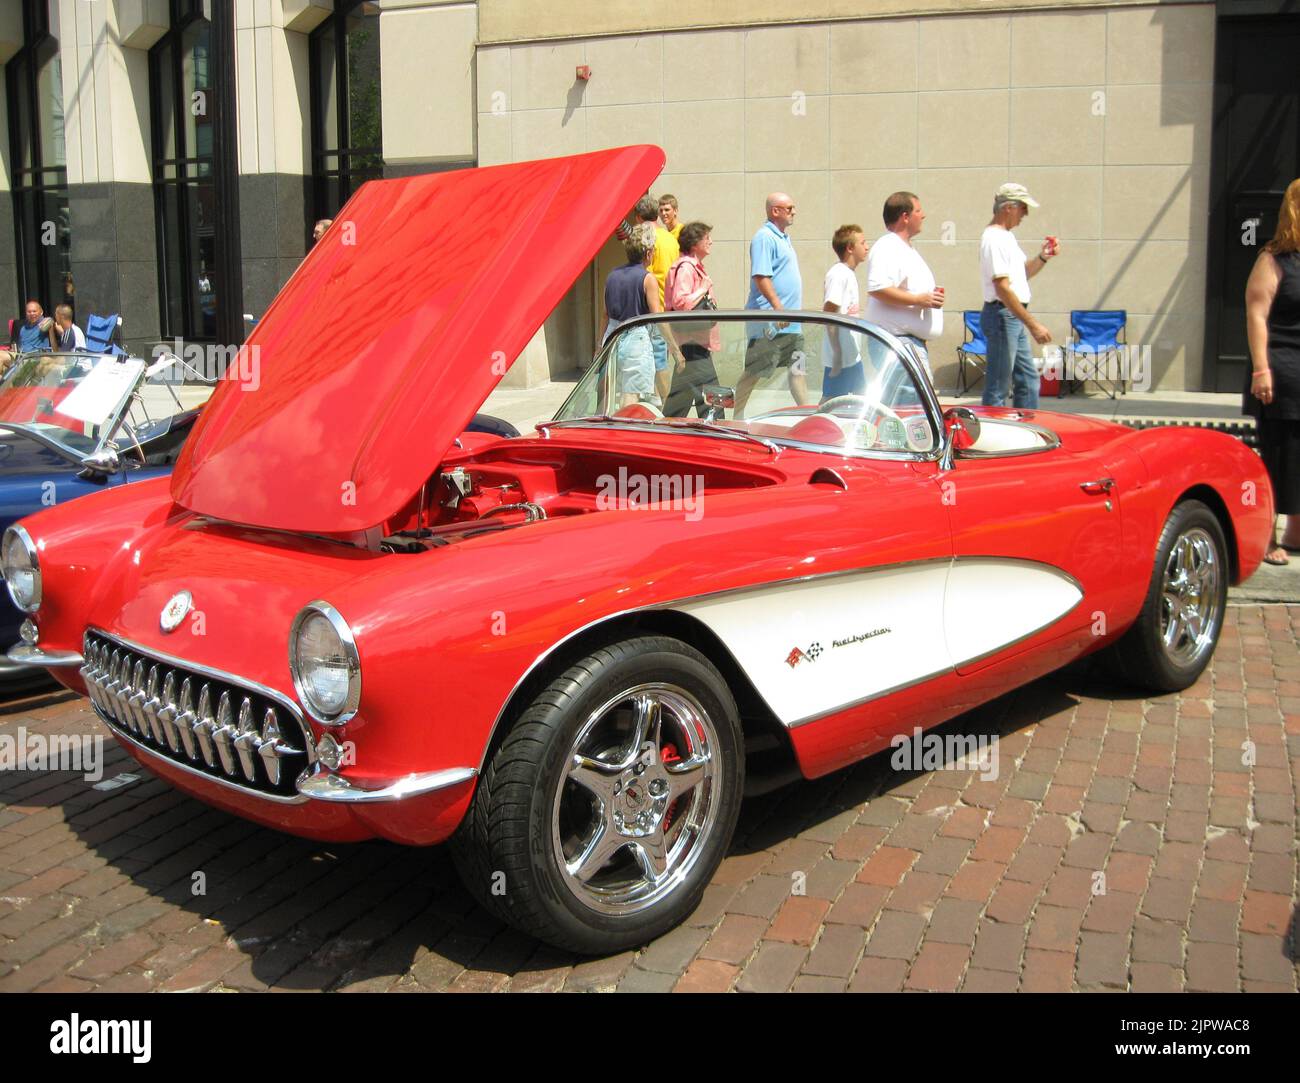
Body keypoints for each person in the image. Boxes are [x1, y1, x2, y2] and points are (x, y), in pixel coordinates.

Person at [1244, 178, 1300, 565]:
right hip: (1280, 368)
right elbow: (1257, 314)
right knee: (1280, 452)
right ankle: (1266, 536)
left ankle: (1295, 532)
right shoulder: (1273, 258)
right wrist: (1261, 369)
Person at [979, 183, 1058, 409]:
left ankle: (1027, 429)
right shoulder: (994, 239)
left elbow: (1021, 274)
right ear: (1008, 208)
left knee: (1028, 382)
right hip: (1004, 315)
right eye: (1023, 207)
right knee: (999, 387)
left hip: (1010, 316)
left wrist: (1043, 257)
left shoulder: (1005, 238)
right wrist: (1033, 325)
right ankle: (991, 435)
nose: (1026, 213)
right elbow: (1002, 288)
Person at [736, 192, 808, 417]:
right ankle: (736, 416)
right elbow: (761, 276)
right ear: (775, 211)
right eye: (789, 208)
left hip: (791, 325)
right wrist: (779, 308)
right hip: (770, 323)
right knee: (754, 373)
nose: (794, 212)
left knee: (798, 371)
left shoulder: (784, 238)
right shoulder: (764, 237)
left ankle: (807, 415)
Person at [865, 191, 944, 382]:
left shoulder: (902, 248)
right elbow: (877, 288)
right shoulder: (888, 246)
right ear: (905, 217)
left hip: (904, 342)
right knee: (916, 407)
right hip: (898, 342)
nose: (923, 215)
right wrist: (919, 299)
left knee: (906, 406)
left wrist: (928, 299)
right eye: (918, 210)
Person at [603, 224, 666, 408]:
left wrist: (600, 344)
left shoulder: (612, 275)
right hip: (636, 337)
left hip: (612, 334)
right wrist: (674, 347)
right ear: (648, 252)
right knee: (630, 393)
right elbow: (657, 317)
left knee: (608, 391)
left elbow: (604, 315)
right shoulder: (647, 278)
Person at [664, 221, 722, 418]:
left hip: (693, 343)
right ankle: (718, 437)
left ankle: (666, 431)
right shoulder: (687, 268)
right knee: (712, 401)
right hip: (693, 344)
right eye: (707, 238)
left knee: (680, 402)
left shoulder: (692, 267)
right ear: (695, 242)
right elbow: (680, 302)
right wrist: (703, 289)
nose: (711, 242)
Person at [822, 224, 868, 400]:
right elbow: (830, 312)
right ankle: (815, 427)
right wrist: (837, 353)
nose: (867, 247)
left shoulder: (848, 274)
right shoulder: (838, 274)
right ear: (850, 248)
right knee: (829, 403)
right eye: (862, 243)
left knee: (861, 399)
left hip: (852, 357)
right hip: (840, 359)